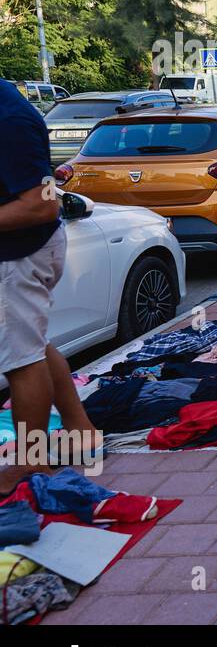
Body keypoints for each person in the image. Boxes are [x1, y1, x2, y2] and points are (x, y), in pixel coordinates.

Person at [1, 79, 99, 492]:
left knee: (22, 360)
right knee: (33, 347)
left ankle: (30, 463)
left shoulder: (8, 119)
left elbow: (40, 205)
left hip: (18, 256)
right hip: (21, 252)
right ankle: (82, 434)